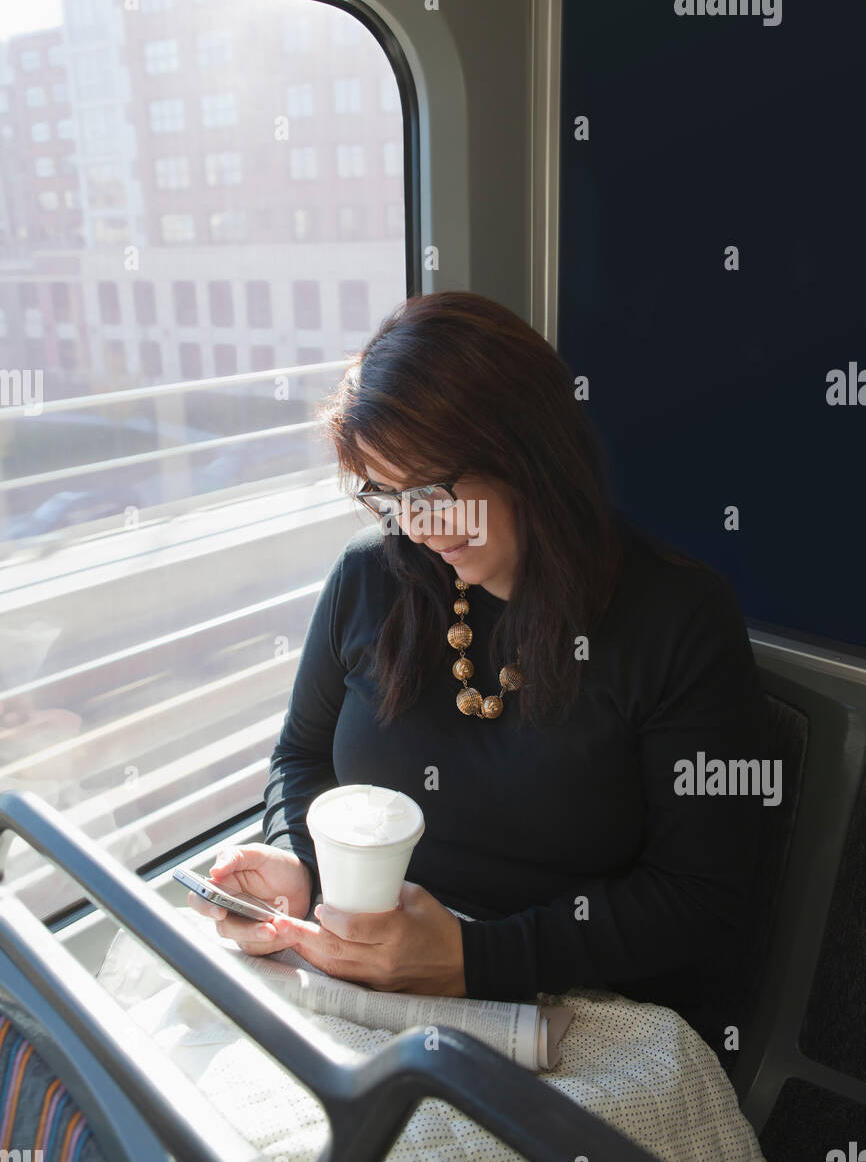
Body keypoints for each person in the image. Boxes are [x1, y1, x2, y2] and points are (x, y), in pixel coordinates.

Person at [188, 290, 768, 1069]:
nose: (417, 530)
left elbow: (701, 898)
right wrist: (299, 865)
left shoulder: (678, 618)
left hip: (570, 1000)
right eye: (386, 497)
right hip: (364, 969)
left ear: (526, 448)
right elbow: (302, 759)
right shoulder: (371, 581)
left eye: (431, 489)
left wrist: (472, 958)